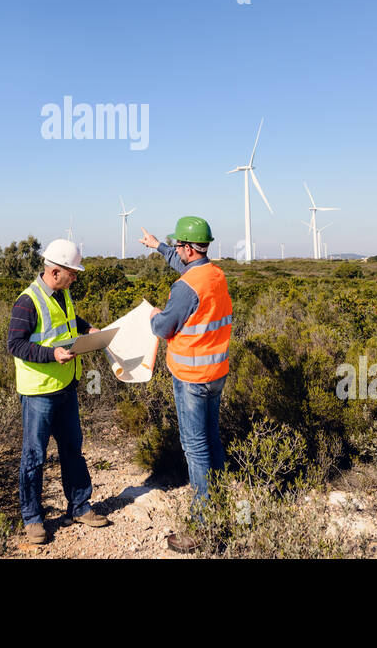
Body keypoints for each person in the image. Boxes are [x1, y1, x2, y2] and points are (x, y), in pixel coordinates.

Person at [7, 237, 111, 545]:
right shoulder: (27, 301)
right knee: (34, 457)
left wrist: (88, 329)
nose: (75, 277)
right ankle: (32, 519)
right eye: (73, 272)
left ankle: (79, 506)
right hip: (39, 392)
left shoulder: (62, 294)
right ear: (55, 272)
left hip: (66, 387)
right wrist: (51, 355)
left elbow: (69, 322)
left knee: (72, 450)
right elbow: (15, 344)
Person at [139, 216, 232, 554]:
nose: (176, 250)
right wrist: (158, 247)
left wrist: (153, 316)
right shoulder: (214, 275)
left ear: (190, 248)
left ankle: (203, 528)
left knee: (196, 449)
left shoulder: (186, 287)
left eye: (178, 245)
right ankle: (220, 508)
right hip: (215, 375)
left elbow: (165, 328)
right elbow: (185, 268)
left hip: (191, 379)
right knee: (212, 440)